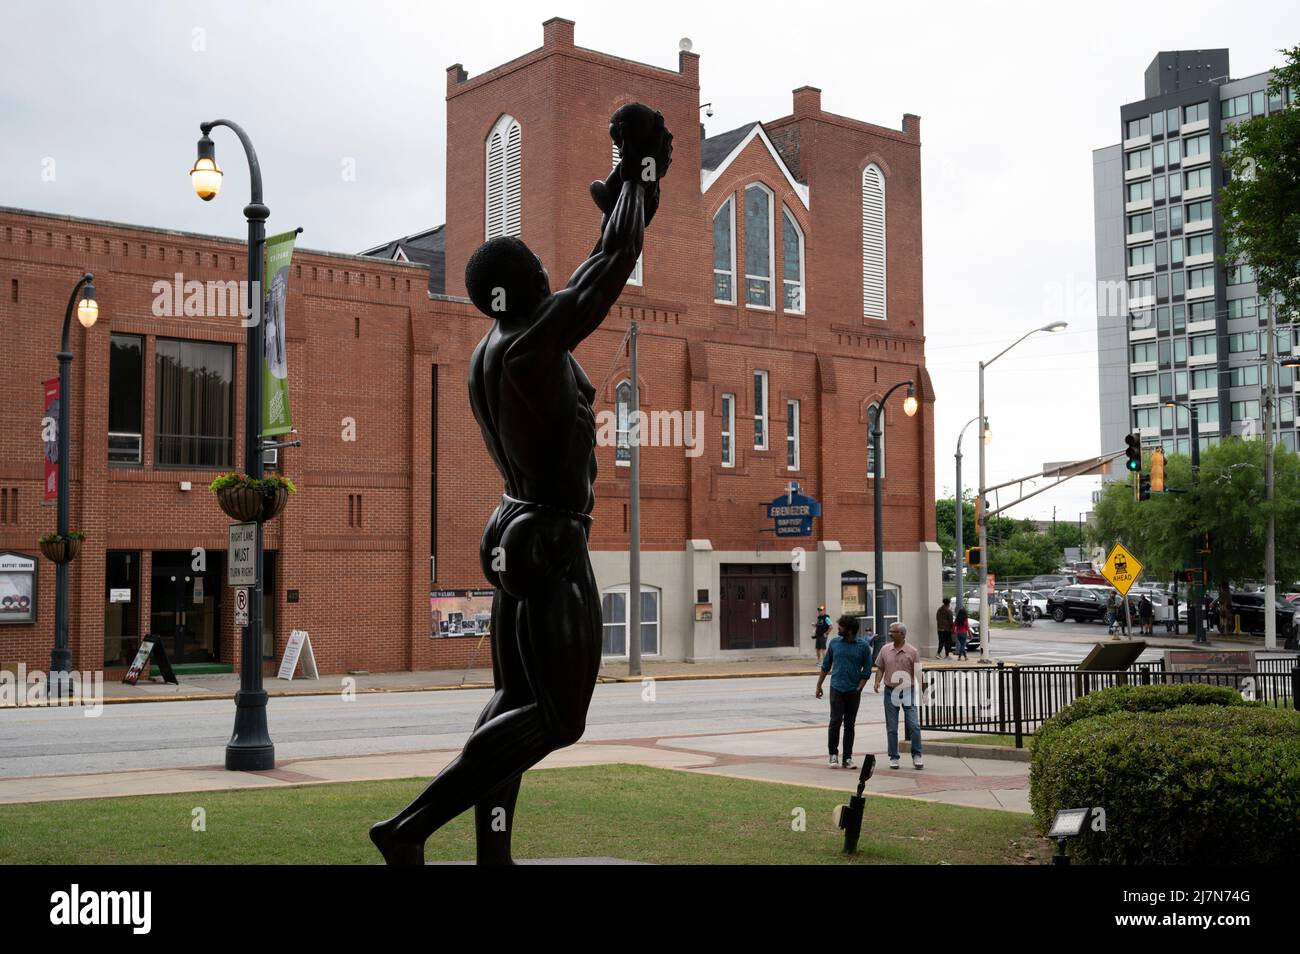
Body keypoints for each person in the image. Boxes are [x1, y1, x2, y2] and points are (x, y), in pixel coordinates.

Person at [369, 104, 673, 865]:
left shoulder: (495, 347)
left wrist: (631, 190)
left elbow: (599, 259)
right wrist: (640, 171)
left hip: (513, 523)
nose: (549, 271)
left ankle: (491, 854)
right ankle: (408, 828)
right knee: (559, 718)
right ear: (521, 283)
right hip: (550, 536)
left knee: (514, 701)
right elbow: (609, 269)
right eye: (539, 266)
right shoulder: (531, 346)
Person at [815, 615, 872, 770]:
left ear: (850, 630)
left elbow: (867, 671)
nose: (838, 629)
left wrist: (859, 688)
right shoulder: (834, 643)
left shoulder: (863, 647)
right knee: (835, 721)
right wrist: (819, 685)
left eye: (840, 627)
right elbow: (826, 666)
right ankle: (833, 754)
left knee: (849, 725)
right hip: (836, 688)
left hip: (853, 690)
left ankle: (847, 757)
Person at [873, 622, 923, 770]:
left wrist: (924, 690)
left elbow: (918, 672)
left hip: (907, 691)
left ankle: (917, 755)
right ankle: (894, 757)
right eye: (889, 631)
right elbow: (880, 668)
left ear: (902, 634)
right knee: (892, 727)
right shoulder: (885, 649)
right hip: (890, 691)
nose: (889, 633)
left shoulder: (912, 651)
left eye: (893, 631)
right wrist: (877, 682)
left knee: (914, 725)